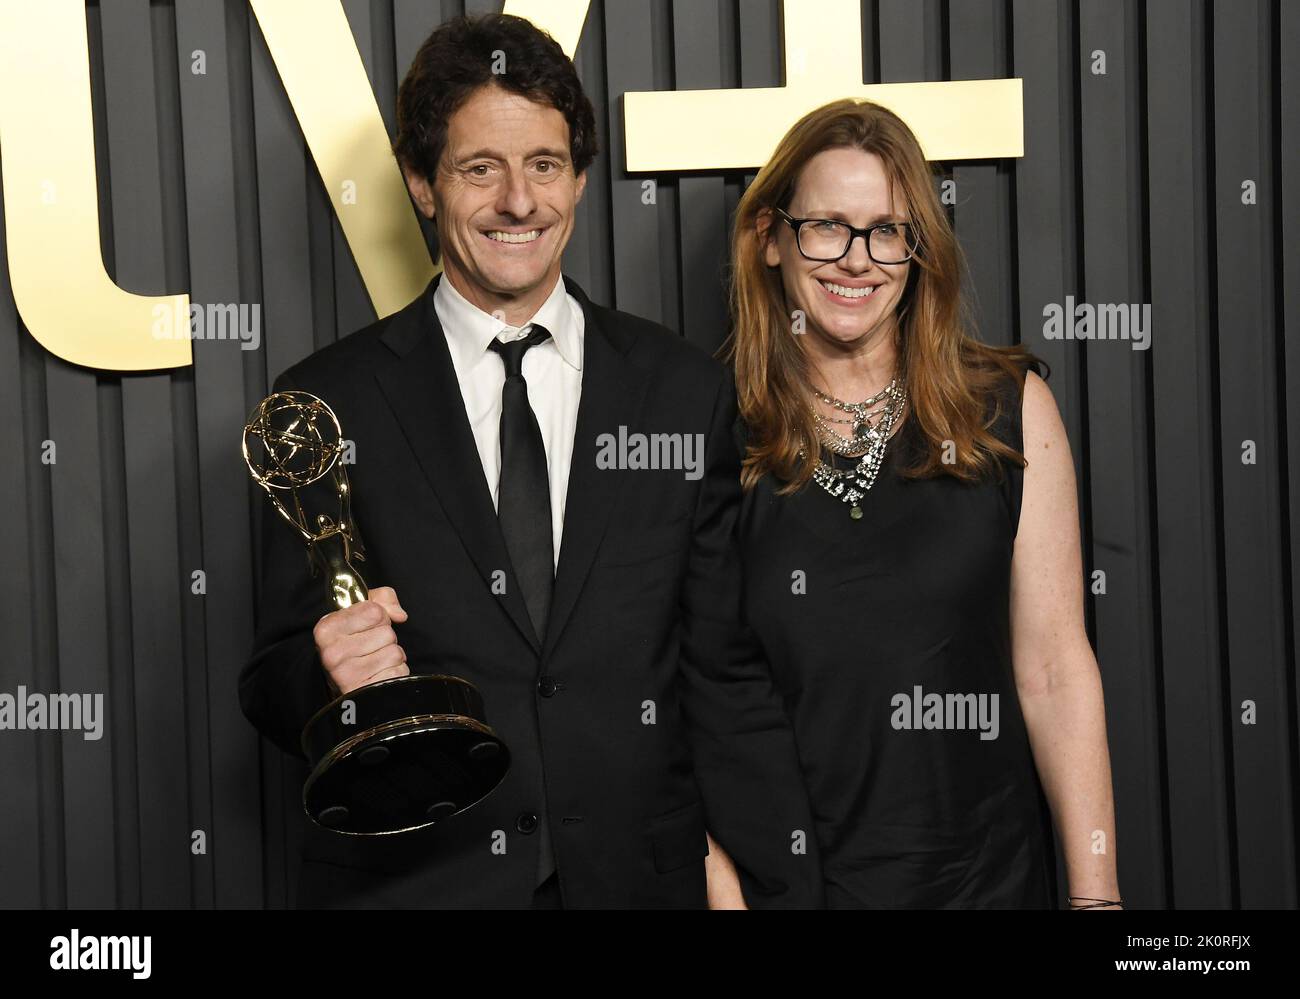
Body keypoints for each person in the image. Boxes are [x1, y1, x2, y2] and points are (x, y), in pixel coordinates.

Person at [239, 12, 820, 910]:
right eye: (481, 168)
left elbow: (721, 673)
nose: (519, 201)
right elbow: (270, 678)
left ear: (579, 179)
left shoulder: (678, 392)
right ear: (422, 184)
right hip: (421, 884)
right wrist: (324, 671)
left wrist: (775, 881)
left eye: (545, 165)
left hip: (641, 884)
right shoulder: (327, 403)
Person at [720, 98, 1122, 909]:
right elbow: (700, 713)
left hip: (992, 886)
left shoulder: (1008, 410)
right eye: (826, 226)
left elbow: (1053, 669)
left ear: (919, 249)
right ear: (770, 237)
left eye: (887, 230)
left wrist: (1098, 898)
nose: (856, 260)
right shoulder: (710, 438)